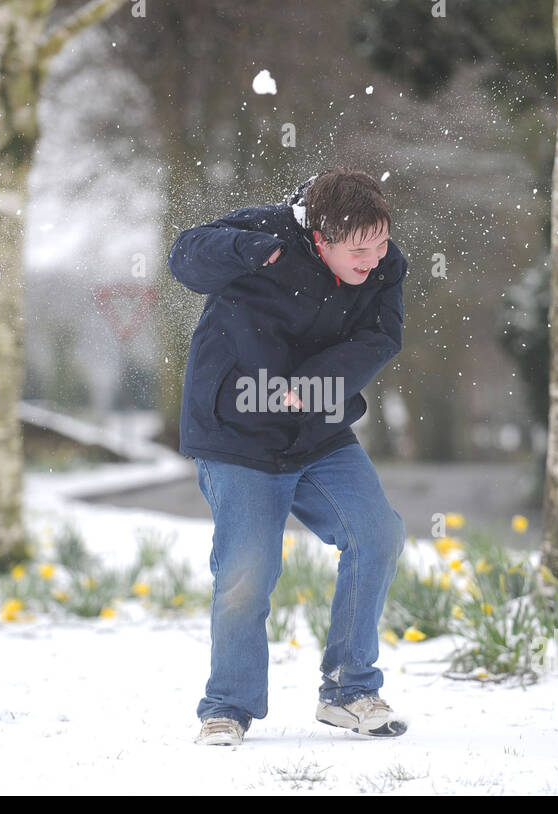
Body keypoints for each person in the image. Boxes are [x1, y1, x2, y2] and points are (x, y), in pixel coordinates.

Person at [169, 168, 410, 746]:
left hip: (317, 429)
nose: (374, 259)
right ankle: (227, 707)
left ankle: (349, 690)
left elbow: (381, 338)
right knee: (248, 574)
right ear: (321, 236)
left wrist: (317, 380)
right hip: (238, 434)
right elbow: (185, 258)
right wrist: (245, 252)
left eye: (381, 242)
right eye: (360, 248)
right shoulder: (262, 232)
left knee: (378, 534)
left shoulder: (385, 265)